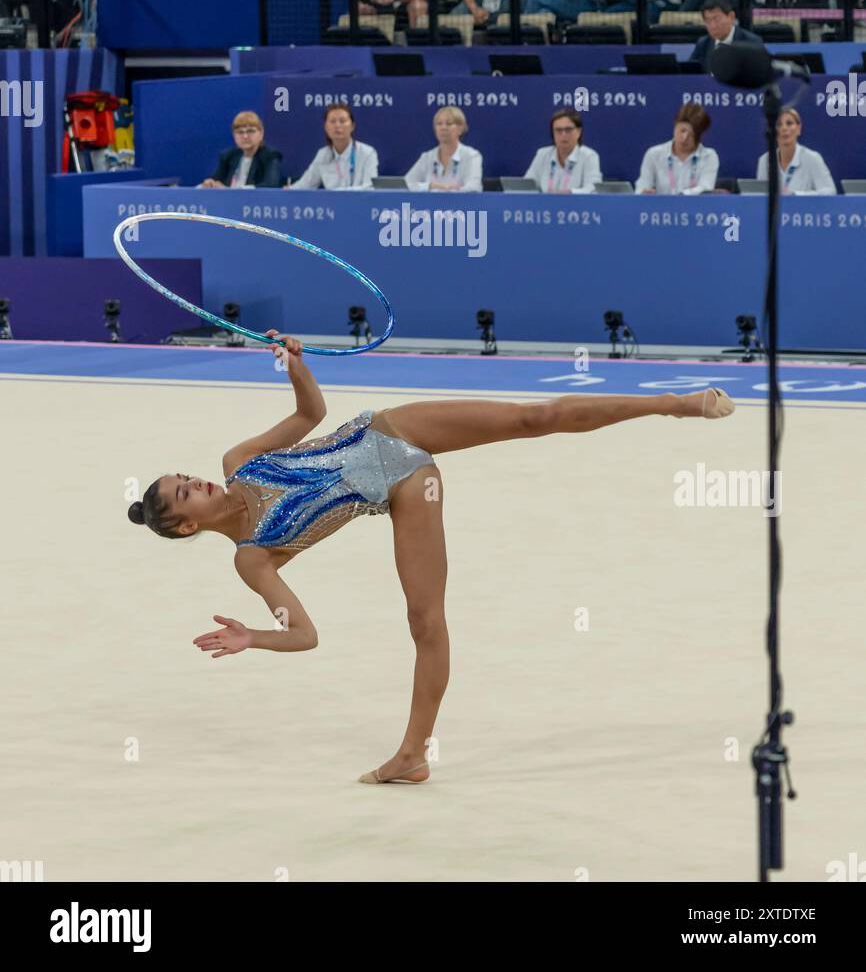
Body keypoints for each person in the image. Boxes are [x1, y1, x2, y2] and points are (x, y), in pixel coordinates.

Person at [131, 331, 735, 786]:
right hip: (401, 488)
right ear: (186, 528)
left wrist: (296, 366)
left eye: (188, 476)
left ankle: (671, 404)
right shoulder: (252, 557)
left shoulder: (240, 458)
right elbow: (306, 635)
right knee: (426, 622)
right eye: (187, 493)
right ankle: (413, 755)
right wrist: (255, 638)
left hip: (390, 430)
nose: (200, 483)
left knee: (535, 417)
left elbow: (311, 416)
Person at [290, 104, 379, 190]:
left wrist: (338, 193)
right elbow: (305, 185)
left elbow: (370, 187)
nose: (337, 125)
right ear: (326, 127)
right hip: (331, 204)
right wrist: (287, 192)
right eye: (332, 121)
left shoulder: (367, 153)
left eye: (342, 121)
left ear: (352, 126)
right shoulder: (323, 154)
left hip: (360, 204)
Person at [635, 103, 720, 194]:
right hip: (659, 208)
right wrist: (644, 192)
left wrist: (680, 197)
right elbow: (642, 185)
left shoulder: (709, 157)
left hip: (696, 208)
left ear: (700, 136)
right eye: (682, 130)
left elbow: (705, 188)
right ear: (675, 126)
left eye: (691, 135)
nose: (684, 138)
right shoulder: (654, 154)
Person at [756, 107, 837, 194]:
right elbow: (760, 197)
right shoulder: (764, 160)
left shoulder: (812, 158)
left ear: (799, 129)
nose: (784, 128)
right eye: (778, 124)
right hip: (775, 207)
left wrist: (797, 195)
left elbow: (830, 191)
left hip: (805, 207)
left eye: (789, 123)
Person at [405, 105, 483, 191]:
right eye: (439, 124)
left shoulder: (471, 156)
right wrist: (430, 186)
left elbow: (474, 188)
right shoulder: (427, 157)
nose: (443, 128)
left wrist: (451, 191)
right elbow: (407, 184)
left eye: (449, 124)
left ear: (460, 129)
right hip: (428, 204)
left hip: (461, 204)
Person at [524, 109, 603, 192]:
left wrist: (570, 193)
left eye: (568, 130)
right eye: (558, 130)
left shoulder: (589, 156)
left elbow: (593, 188)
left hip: (577, 204)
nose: (563, 135)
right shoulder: (543, 154)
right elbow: (527, 186)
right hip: (544, 204)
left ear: (579, 132)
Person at [201, 112, 283, 189]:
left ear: (261, 133)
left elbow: (271, 185)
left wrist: (234, 190)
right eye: (240, 132)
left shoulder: (270, 156)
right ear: (234, 135)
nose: (245, 136)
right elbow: (216, 180)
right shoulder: (228, 156)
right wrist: (210, 183)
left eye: (250, 131)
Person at [688, 0, 764, 67]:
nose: (713, 26)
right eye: (708, 21)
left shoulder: (752, 42)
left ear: (731, 16)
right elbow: (690, 73)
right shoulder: (703, 44)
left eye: (717, 19)